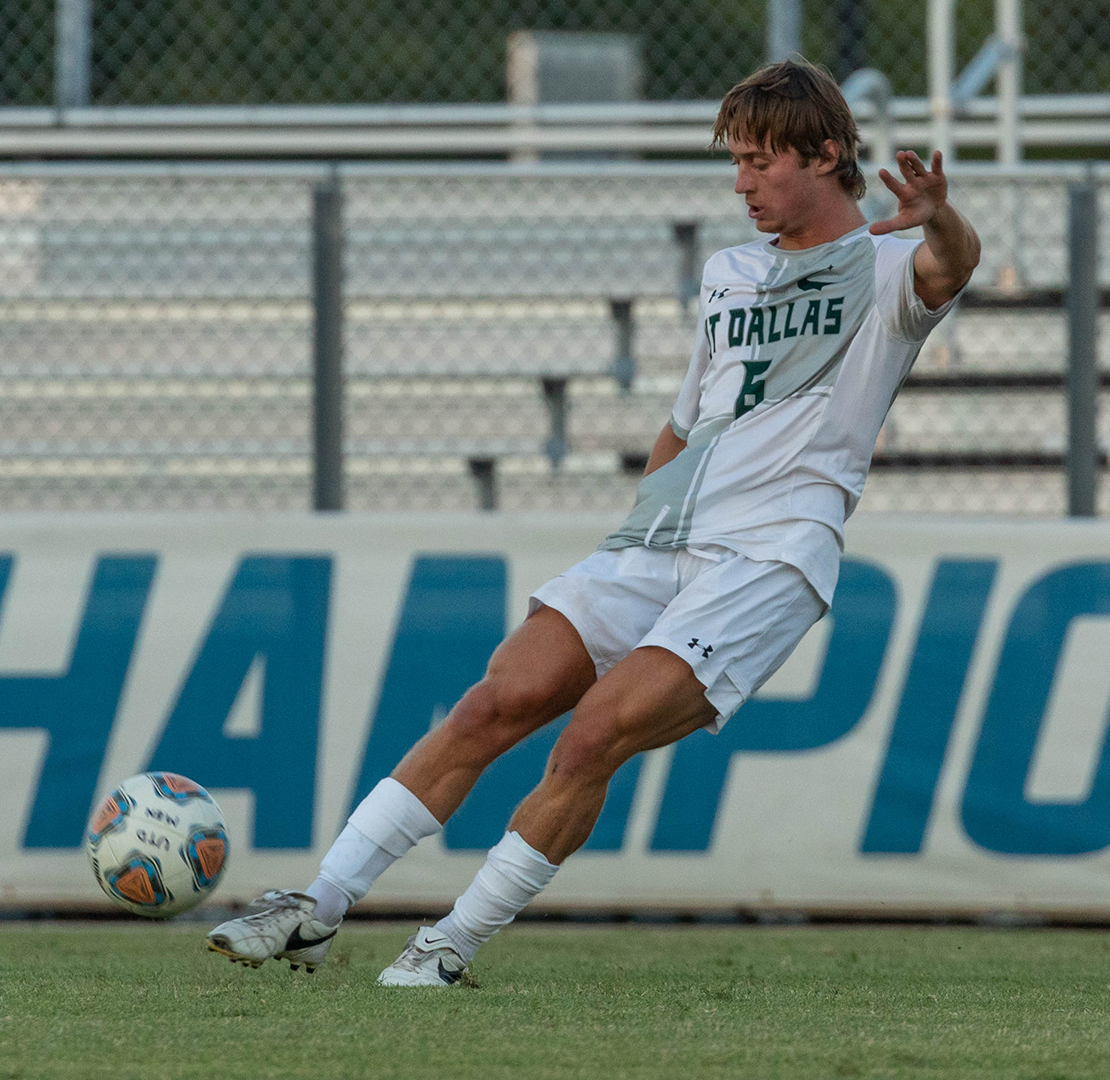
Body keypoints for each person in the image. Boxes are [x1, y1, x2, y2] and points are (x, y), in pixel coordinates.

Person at [206, 57, 981, 987]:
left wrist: (937, 214)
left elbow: (953, 264)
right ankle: (315, 908)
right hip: (663, 540)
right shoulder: (728, 273)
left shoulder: (889, 265)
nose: (739, 184)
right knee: (498, 699)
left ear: (824, 156)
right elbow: (686, 422)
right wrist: (634, 533)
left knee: (590, 738)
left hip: (771, 560)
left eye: (759, 163)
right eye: (733, 162)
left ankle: (446, 948)